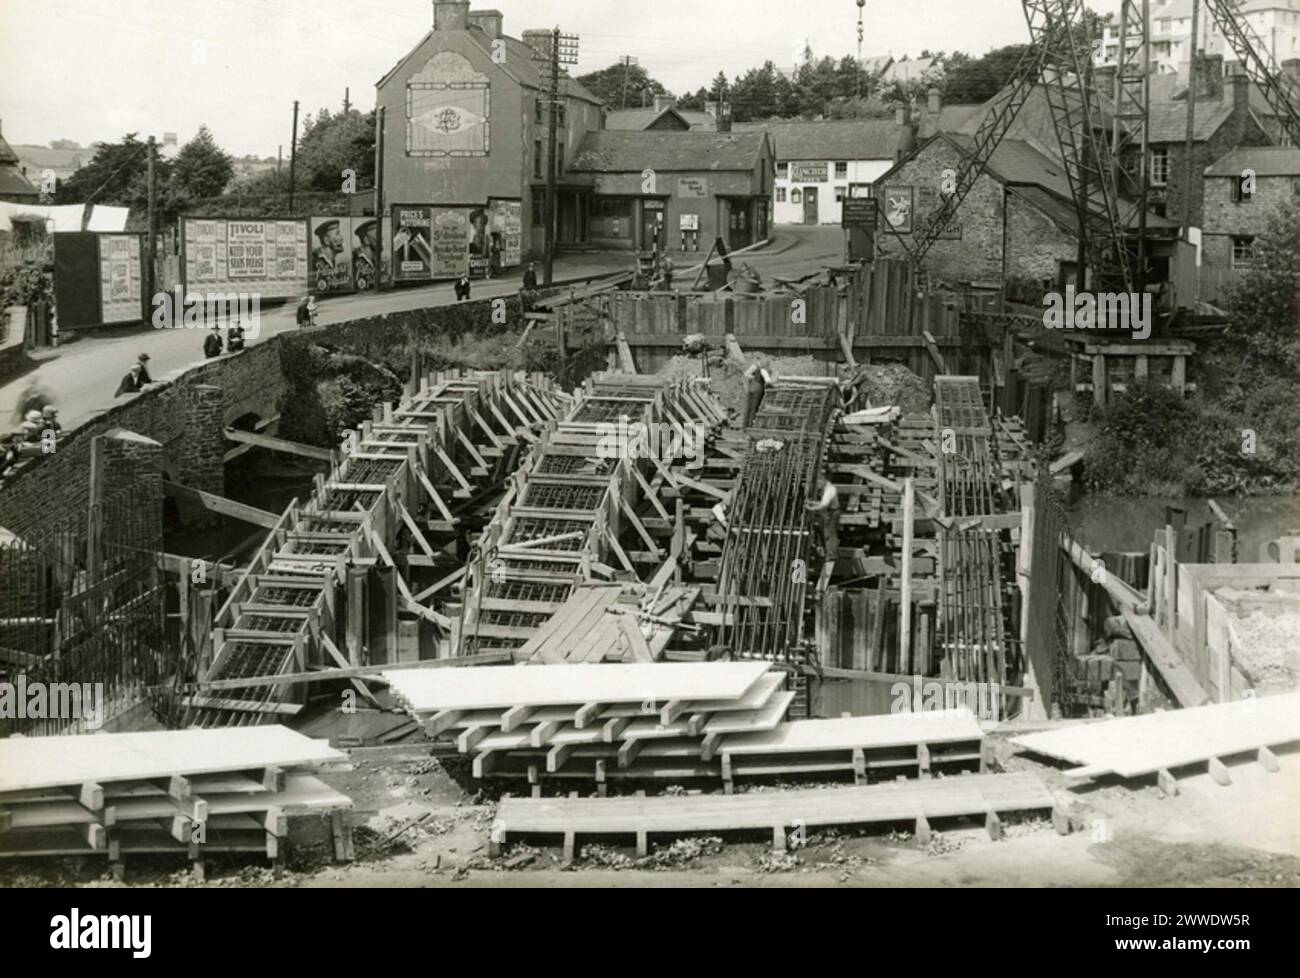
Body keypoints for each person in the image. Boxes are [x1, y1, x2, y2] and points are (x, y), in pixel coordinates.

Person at [805, 479, 841, 570]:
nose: (818, 487)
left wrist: (810, 508)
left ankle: (832, 555)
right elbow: (823, 503)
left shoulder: (829, 491)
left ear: (822, 482)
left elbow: (823, 505)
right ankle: (829, 553)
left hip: (832, 513)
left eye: (819, 484)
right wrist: (812, 503)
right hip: (830, 512)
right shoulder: (828, 489)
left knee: (830, 534)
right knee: (827, 533)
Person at [742, 363, 772, 428]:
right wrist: (771, 385)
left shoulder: (757, 370)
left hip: (751, 388)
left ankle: (745, 425)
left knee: (748, 407)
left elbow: (746, 375)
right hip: (757, 389)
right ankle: (750, 425)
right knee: (754, 408)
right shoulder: (763, 370)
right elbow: (768, 380)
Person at [351, 220, 378, 290]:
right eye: (377, 234)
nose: (381, 238)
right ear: (367, 240)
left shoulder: (374, 259)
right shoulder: (356, 260)